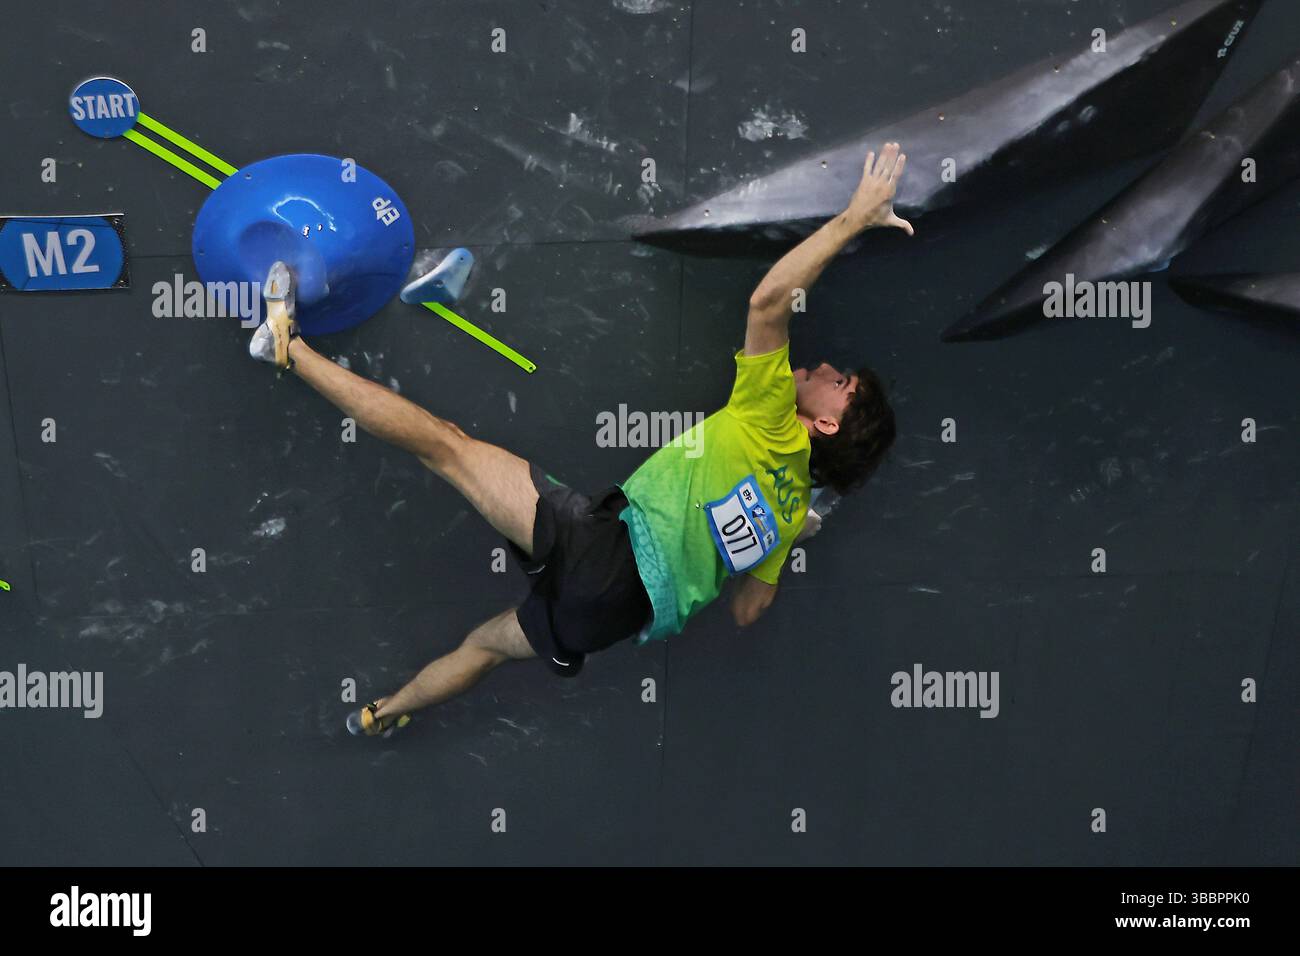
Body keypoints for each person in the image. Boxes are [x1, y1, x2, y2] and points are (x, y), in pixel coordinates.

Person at [249, 143, 911, 737]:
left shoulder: (771, 421)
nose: (827, 368)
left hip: (607, 552)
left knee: (444, 445)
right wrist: (793, 532)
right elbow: (746, 611)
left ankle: (290, 349)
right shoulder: (791, 508)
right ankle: (379, 714)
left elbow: (769, 303)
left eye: (841, 382)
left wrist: (855, 217)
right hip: (608, 619)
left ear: (823, 423)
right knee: (483, 649)